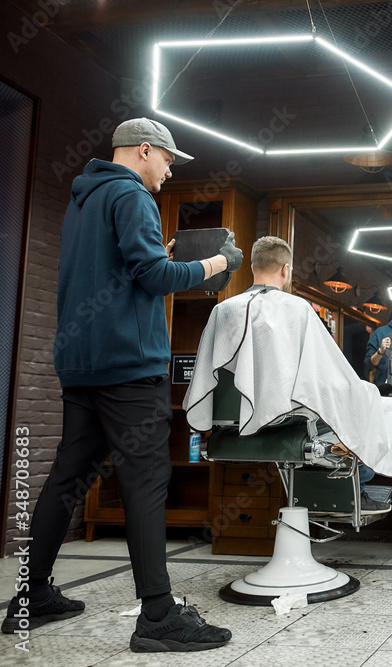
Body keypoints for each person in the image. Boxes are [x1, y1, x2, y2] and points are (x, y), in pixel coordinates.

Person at [2, 118, 239, 652]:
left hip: (83, 363)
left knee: (68, 477)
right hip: (130, 368)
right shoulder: (133, 197)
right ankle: (158, 616)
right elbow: (155, 280)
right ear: (143, 150)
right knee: (147, 484)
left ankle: (31, 596)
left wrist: (165, 256)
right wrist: (215, 264)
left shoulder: (83, 200)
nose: (170, 170)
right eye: (169, 159)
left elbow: (129, 272)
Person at [183, 237, 392, 513]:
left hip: (232, 422)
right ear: (286, 269)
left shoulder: (222, 310)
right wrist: (359, 391)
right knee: (373, 410)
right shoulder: (297, 309)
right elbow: (329, 373)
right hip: (286, 418)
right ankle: (361, 487)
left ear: (252, 267)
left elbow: (208, 376)